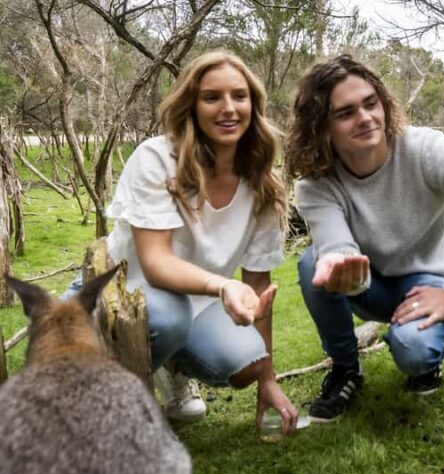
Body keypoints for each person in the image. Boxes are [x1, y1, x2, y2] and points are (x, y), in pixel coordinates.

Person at [285, 55, 444, 422]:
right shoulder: (316, 184)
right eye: (345, 113)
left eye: (371, 103)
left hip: (430, 279)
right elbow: (336, 244)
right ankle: (345, 369)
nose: (366, 118)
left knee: (414, 351)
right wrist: (336, 263)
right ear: (321, 127)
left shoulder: (425, 150)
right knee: (312, 262)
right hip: (368, 282)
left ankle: (423, 362)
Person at [63, 51, 298, 434]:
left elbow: (259, 288)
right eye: (212, 97)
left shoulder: (262, 186)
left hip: (198, 302)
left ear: (254, 104)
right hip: (124, 291)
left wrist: (267, 381)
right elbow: (156, 263)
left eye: (239, 96)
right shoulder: (157, 159)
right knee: (169, 316)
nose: (228, 108)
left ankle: (170, 367)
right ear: (191, 105)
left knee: (248, 360)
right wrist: (224, 285)